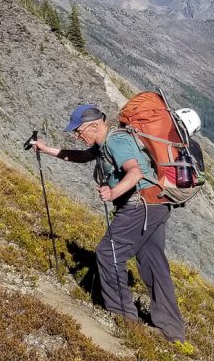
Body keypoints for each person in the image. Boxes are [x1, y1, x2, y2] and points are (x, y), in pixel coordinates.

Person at [31, 104, 186, 343]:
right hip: (157, 204)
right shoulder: (102, 144)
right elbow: (81, 156)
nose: (77, 135)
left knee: (108, 252)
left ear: (95, 125)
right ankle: (172, 331)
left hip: (140, 204)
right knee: (153, 263)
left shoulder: (116, 142)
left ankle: (123, 318)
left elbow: (134, 173)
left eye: (79, 130)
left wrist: (113, 194)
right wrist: (46, 149)